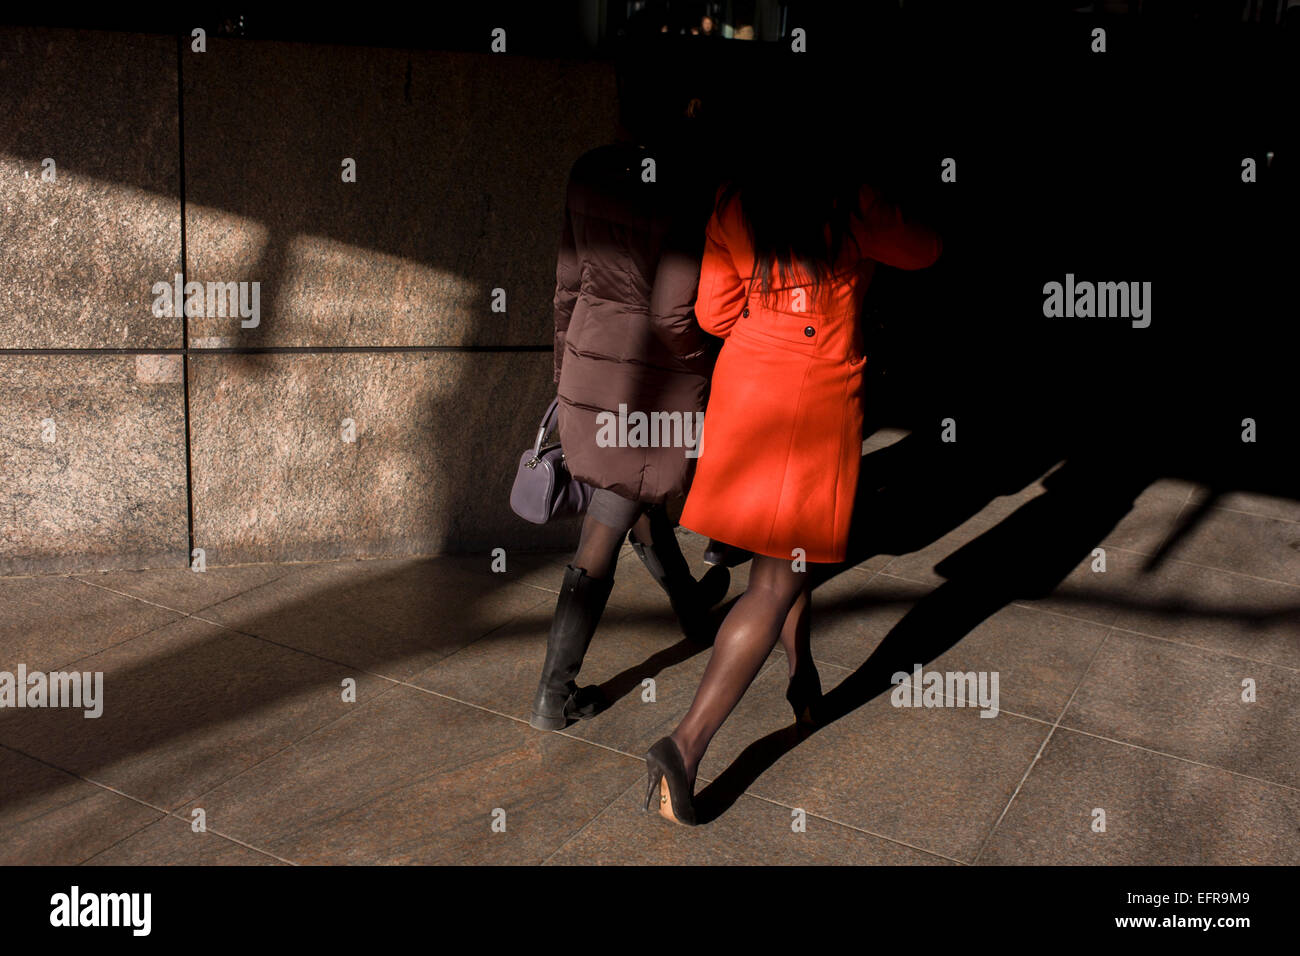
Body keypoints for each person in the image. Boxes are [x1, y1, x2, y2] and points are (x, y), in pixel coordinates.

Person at [644, 142, 943, 824]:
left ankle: (802, 680)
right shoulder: (853, 200)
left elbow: (716, 313)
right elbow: (925, 248)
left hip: (748, 385)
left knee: (784, 560)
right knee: (777, 581)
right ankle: (684, 747)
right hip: (815, 397)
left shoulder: (733, 195)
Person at [530, 62, 728, 732]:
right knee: (610, 516)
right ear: (688, 110)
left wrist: (564, 373)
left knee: (631, 495)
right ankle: (553, 695)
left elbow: (566, 283)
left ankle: (695, 610)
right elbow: (676, 314)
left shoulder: (588, 170)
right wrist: (707, 365)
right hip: (651, 381)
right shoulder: (693, 185)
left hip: (589, 365)